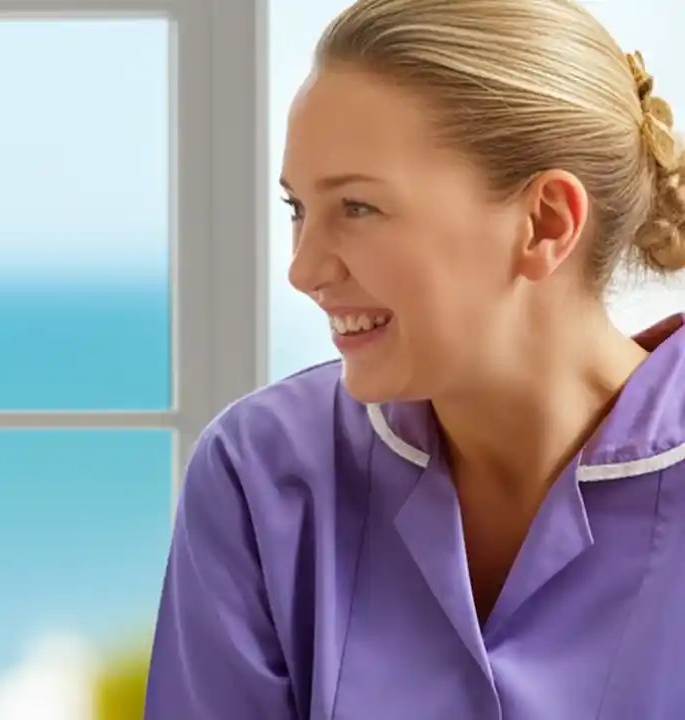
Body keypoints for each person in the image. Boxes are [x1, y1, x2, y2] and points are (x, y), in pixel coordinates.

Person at [146, 0, 685, 717]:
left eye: (358, 208)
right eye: (298, 209)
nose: (303, 271)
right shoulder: (262, 475)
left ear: (545, 223)